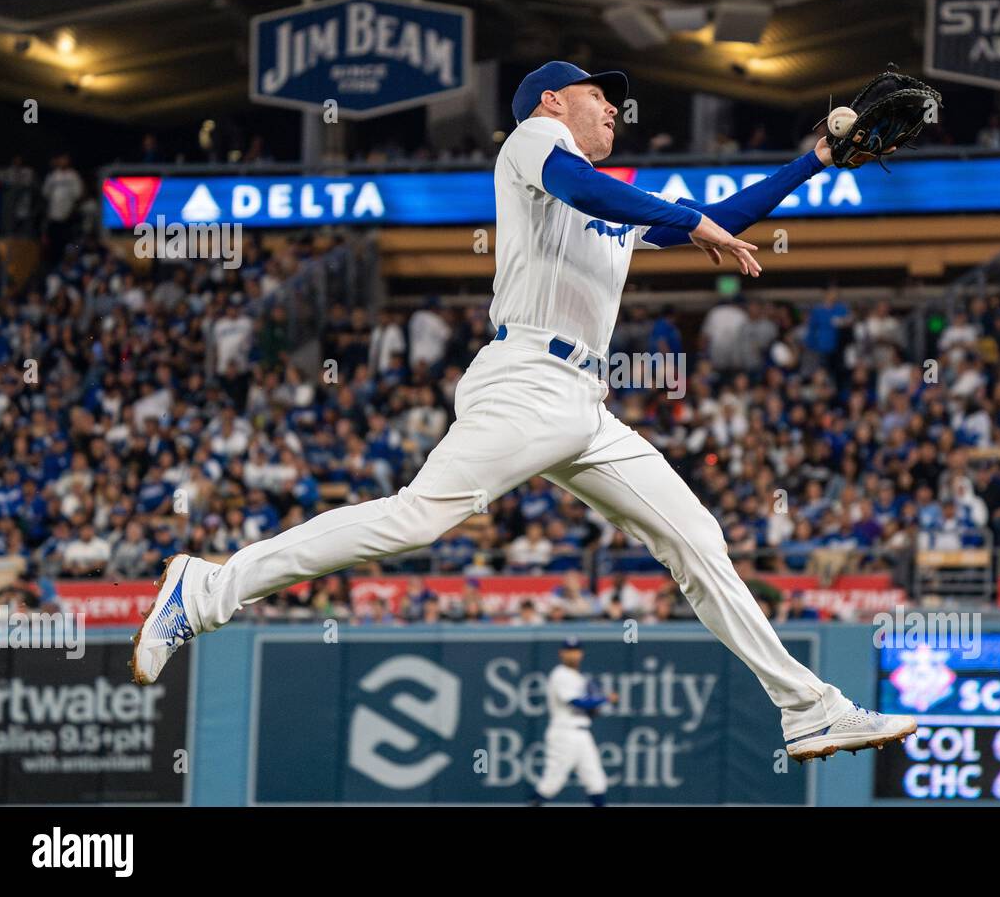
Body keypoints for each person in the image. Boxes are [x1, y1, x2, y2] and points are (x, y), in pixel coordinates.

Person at [131, 60, 915, 762]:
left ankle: (809, 710)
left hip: (584, 404)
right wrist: (689, 220)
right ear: (551, 101)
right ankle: (205, 589)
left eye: (616, 100)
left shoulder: (610, 197)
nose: (613, 108)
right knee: (414, 520)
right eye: (598, 96)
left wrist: (812, 162)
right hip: (526, 379)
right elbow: (603, 194)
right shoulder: (532, 145)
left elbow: (723, 216)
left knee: (697, 540)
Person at [530, 637, 617, 806]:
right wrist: (604, 699)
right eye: (569, 651)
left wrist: (594, 708)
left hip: (582, 733)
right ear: (561, 653)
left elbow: (587, 709)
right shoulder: (560, 674)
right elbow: (576, 702)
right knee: (551, 784)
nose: (573, 655)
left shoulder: (579, 678)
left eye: (575, 651)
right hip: (564, 732)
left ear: (581, 654)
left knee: (597, 782)